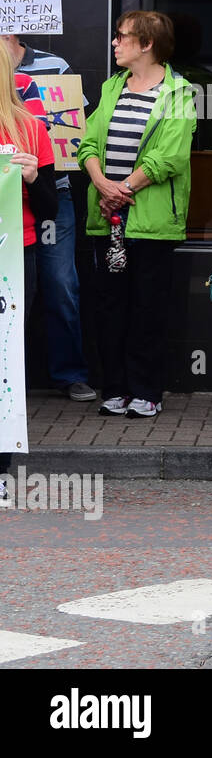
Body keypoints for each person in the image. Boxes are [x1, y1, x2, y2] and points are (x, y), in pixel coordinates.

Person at [77, 11, 196, 420]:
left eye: (122, 37)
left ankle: (146, 390)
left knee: (147, 307)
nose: (115, 43)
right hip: (107, 218)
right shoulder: (112, 87)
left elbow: (171, 156)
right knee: (110, 305)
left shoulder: (179, 93)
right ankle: (114, 389)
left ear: (147, 44)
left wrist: (122, 189)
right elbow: (86, 145)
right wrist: (102, 185)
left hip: (151, 222)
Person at [3, 34, 95, 403]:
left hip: (51, 191)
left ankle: (69, 374)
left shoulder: (54, 67)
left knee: (59, 283)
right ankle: (12, 380)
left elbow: (77, 127)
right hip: (9, 204)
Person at [0, 44, 57, 504]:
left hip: (16, 255)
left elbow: (51, 208)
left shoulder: (31, 127)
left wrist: (35, 178)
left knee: (6, 364)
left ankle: (1, 469)